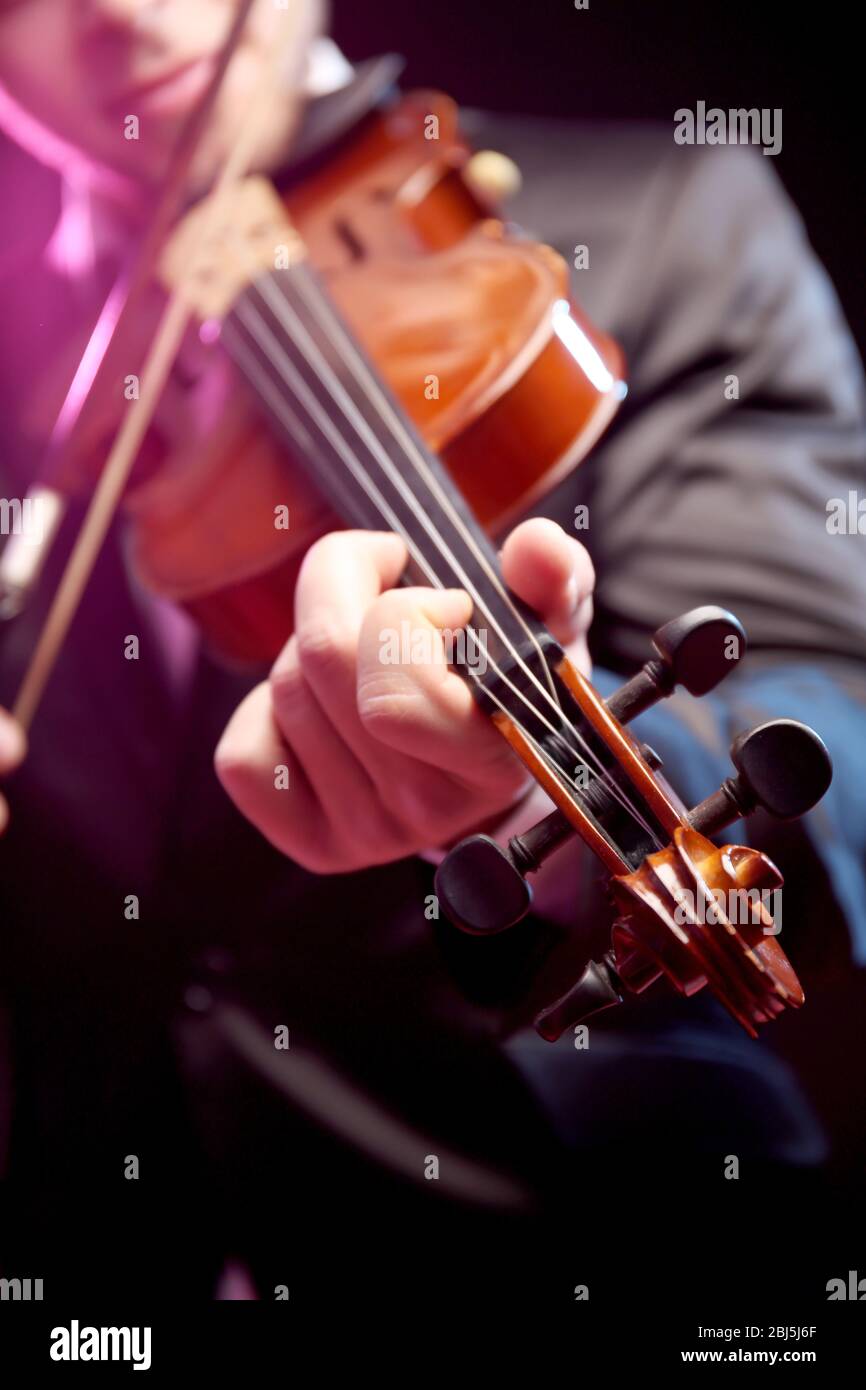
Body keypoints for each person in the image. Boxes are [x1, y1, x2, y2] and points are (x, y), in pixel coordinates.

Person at [0, 0, 864, 1304]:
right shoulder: (32, 354)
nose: (118, 9)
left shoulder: (666, 216)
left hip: (566, 1242)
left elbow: (827, 716)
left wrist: (542, 811)